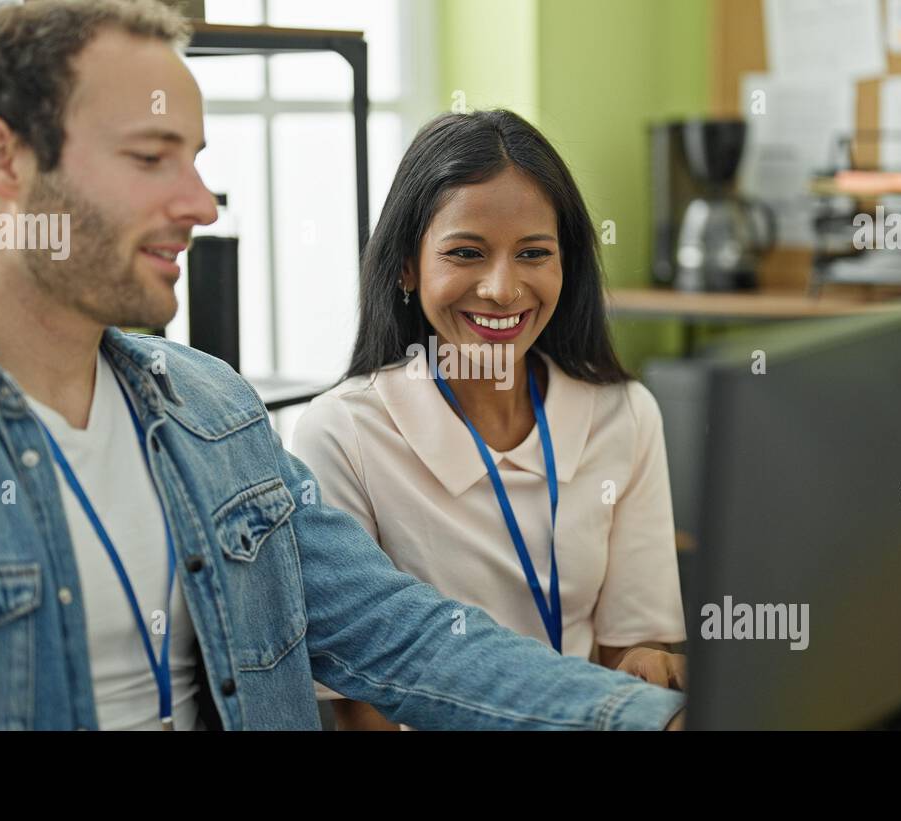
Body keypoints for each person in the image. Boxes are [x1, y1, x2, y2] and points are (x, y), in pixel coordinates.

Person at [0, 0, 683, 731]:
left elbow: (407, 637)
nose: (198, 202)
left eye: (197, 161)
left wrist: (640, 715)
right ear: (2, 161)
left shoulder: (212, 410)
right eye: (152, 156)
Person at [293, 110, 686, 730]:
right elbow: (355, 700)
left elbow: (627, 655)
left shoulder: (624, 413)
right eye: (465, 253)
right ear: (405, 267)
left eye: (534, 253)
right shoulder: (343, 434)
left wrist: (644, 662)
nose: (503, 289)